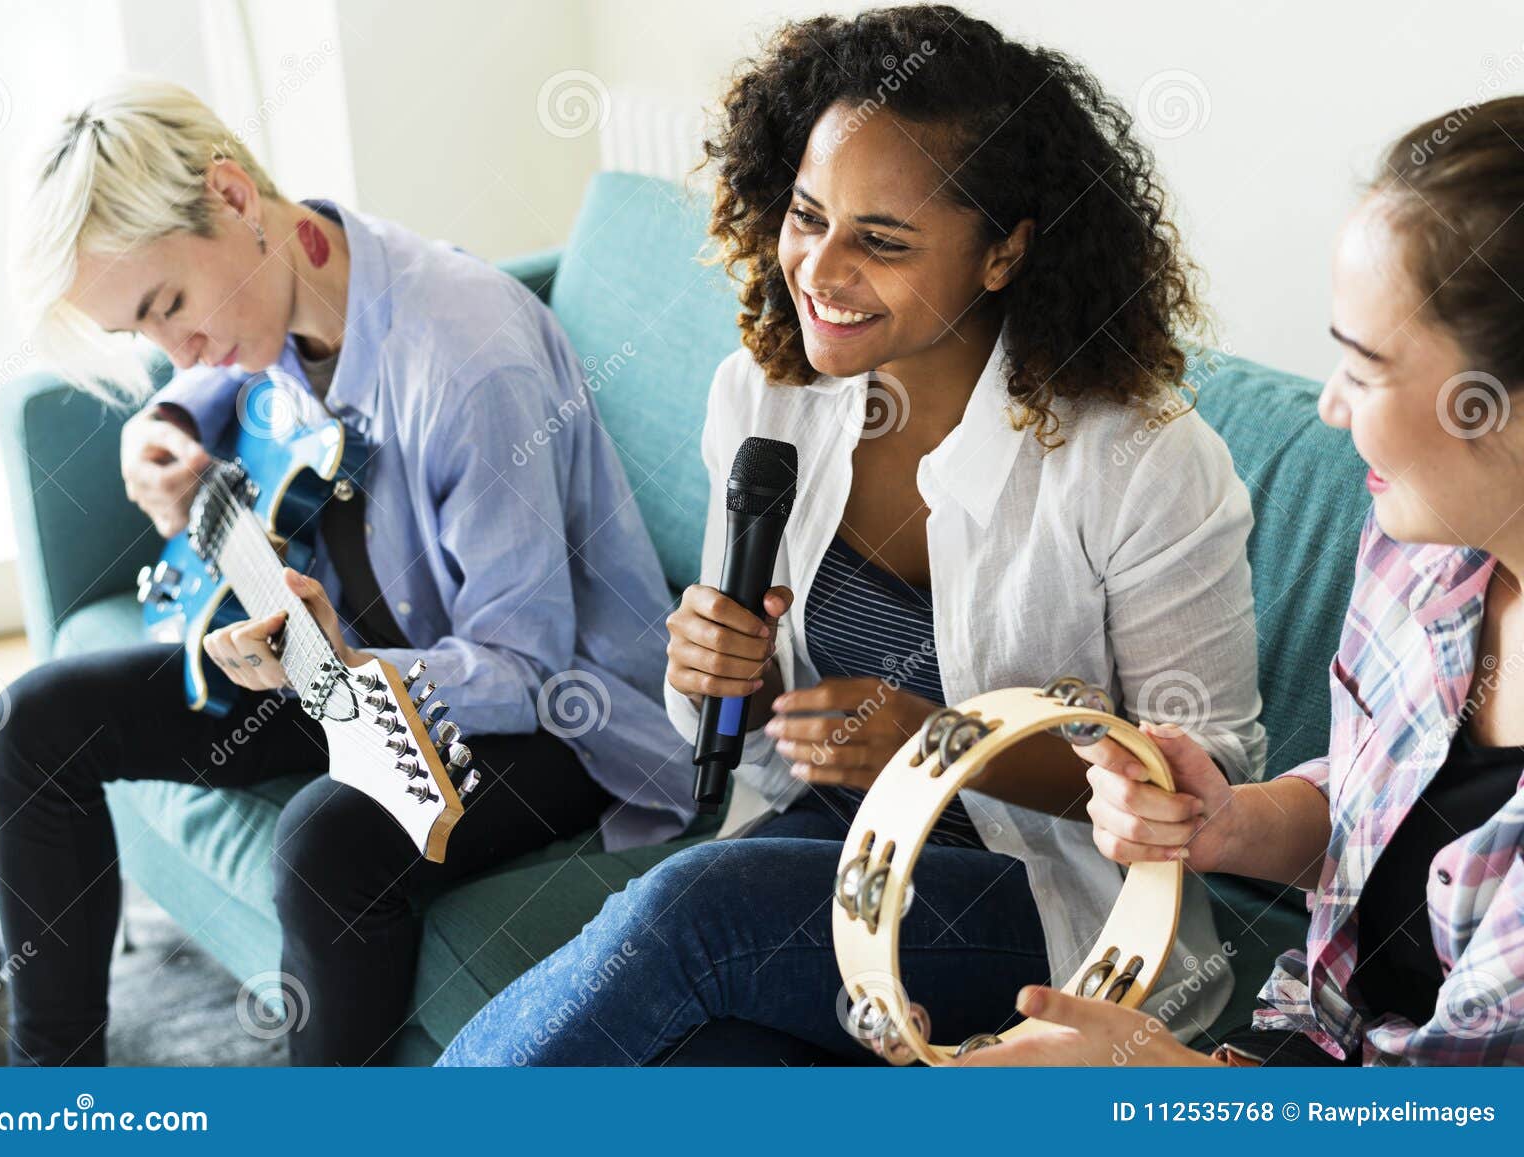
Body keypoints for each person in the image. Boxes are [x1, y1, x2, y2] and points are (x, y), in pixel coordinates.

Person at [440, 5, 1264, 1066]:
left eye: (880, 241)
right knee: (701, 1051)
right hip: (834, 844)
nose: (819, 270)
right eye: (806, 215)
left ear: (1002, 252)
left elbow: (1204, 780)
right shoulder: (768, 396)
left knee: (699, 906)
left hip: (1054, 896)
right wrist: (707, 665)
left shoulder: (1141, 461)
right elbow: (737, 709)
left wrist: (941, 748)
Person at [0, 76, 690, 1066]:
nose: (173, 348)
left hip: (553, 710)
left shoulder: (470, 362)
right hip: (350, 659)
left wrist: (342, 672)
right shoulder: (282, 273)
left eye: (168, 308)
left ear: (234, 197)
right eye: (141, 334)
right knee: (36, 720)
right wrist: (170, 416)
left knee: (331, 838)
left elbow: (522, 668)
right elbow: (221, 351)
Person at [958, 96, 1524, 1067]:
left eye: (1365, 366)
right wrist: (1232, 822)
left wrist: (1150, 1075)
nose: (1329, 406)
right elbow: (1377, 824)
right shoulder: (1420, 550)